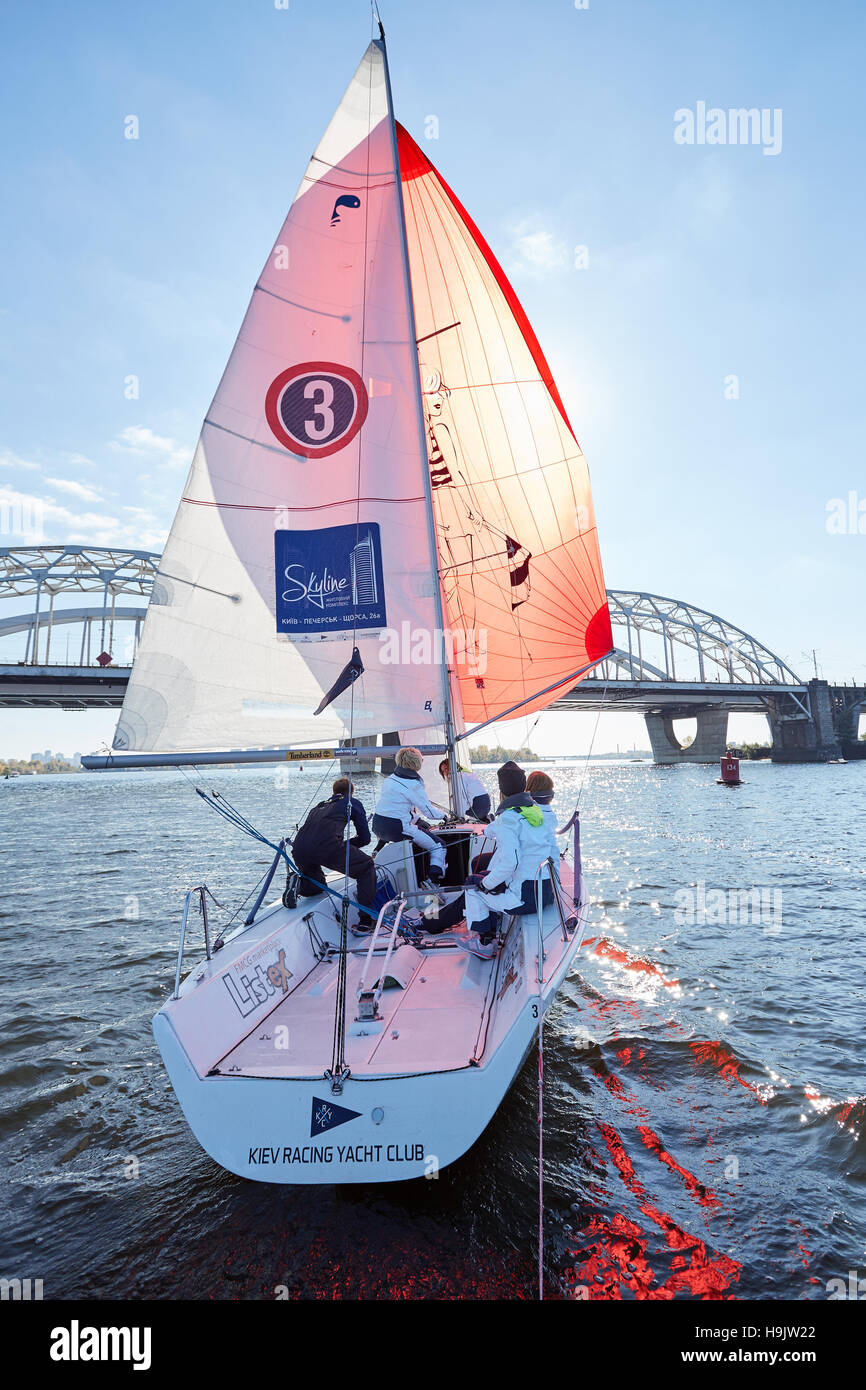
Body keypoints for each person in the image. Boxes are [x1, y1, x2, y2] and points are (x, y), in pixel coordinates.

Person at [420, 761, 553, 956]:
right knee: (482, 878)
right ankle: (487, 930)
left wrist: (486, 885)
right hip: (543, 891)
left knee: (474, 886)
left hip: (525, 897)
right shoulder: (535, 812)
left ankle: (482, 942)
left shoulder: (509, 818)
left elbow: (511, 862)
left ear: (502, 792)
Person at [292, 777, 376, 920]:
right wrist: (345, 845)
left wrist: (341, 845)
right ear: (352, 792)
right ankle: (366, 921)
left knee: (318, 885)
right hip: (326, 847)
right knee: (366, 867)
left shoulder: (319, 805)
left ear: (334, 792)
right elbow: (365, 838)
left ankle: (298, 885)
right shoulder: (352, 803)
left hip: (299, 848)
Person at [371, 747, 447, 883]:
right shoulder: (414, 784)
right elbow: (429, 812)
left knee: (411, 835)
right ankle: (433, 882)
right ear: (416, 763)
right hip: (397, 827)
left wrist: (417, 820)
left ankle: (377, 851)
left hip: (377, 825)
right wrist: (444, 816)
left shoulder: (390, 779)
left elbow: (397, 808)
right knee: (439, 847)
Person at [526, 769, 560, 881]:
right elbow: (554, 854)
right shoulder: (551, 818)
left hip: (523, 876)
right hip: (543, 877)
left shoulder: (517, 814)